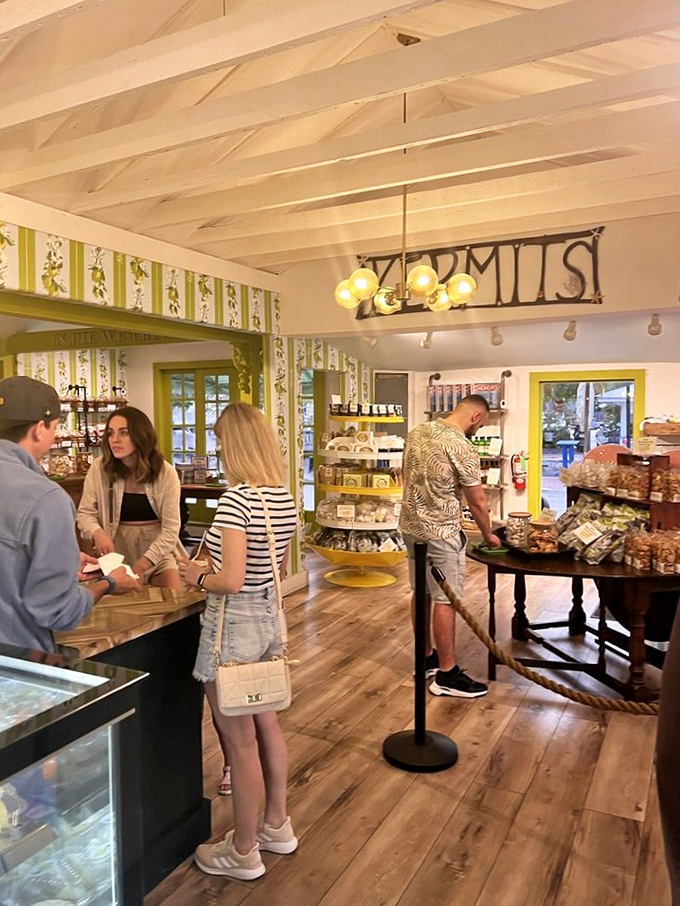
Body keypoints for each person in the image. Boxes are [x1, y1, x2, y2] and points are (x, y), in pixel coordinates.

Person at [179, 402, 298, 881]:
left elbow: (228, 580)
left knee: (238, 742)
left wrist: (195, 576)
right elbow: (274, 570)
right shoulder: (283, 497)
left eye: (221, 438)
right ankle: (276, 823)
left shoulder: (235, 501)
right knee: (266, 725)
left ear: (236, 444)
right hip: (268, 621)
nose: (218, 446)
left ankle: (244, 850)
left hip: (232, 628)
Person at [0, 376, 140, 652]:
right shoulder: (45, 498)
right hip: (16, 662)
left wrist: (58, 559)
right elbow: (57, 611)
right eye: (55, 427)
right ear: (40, 429)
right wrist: (107, 584)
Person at [399, 394, 501, 698]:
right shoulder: (462, 446)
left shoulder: (417, 431)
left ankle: (426, 656)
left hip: (410, 526)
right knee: (446, 599)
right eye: (480, 424)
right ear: (477, 417)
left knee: (422, 591)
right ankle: (447, 673)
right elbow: (478, 500)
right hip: (441, 532)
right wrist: (489, 534)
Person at [78, 406, 182, 588]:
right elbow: (85, 513)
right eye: (110, 433)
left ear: (141, 435)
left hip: (157, 553)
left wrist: (143, 564)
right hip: (116, 555)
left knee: (174, 602)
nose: (115, 440)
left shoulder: (165, 473)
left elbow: (171, 530)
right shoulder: (99, 469)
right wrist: (97, 532)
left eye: (123, 433)